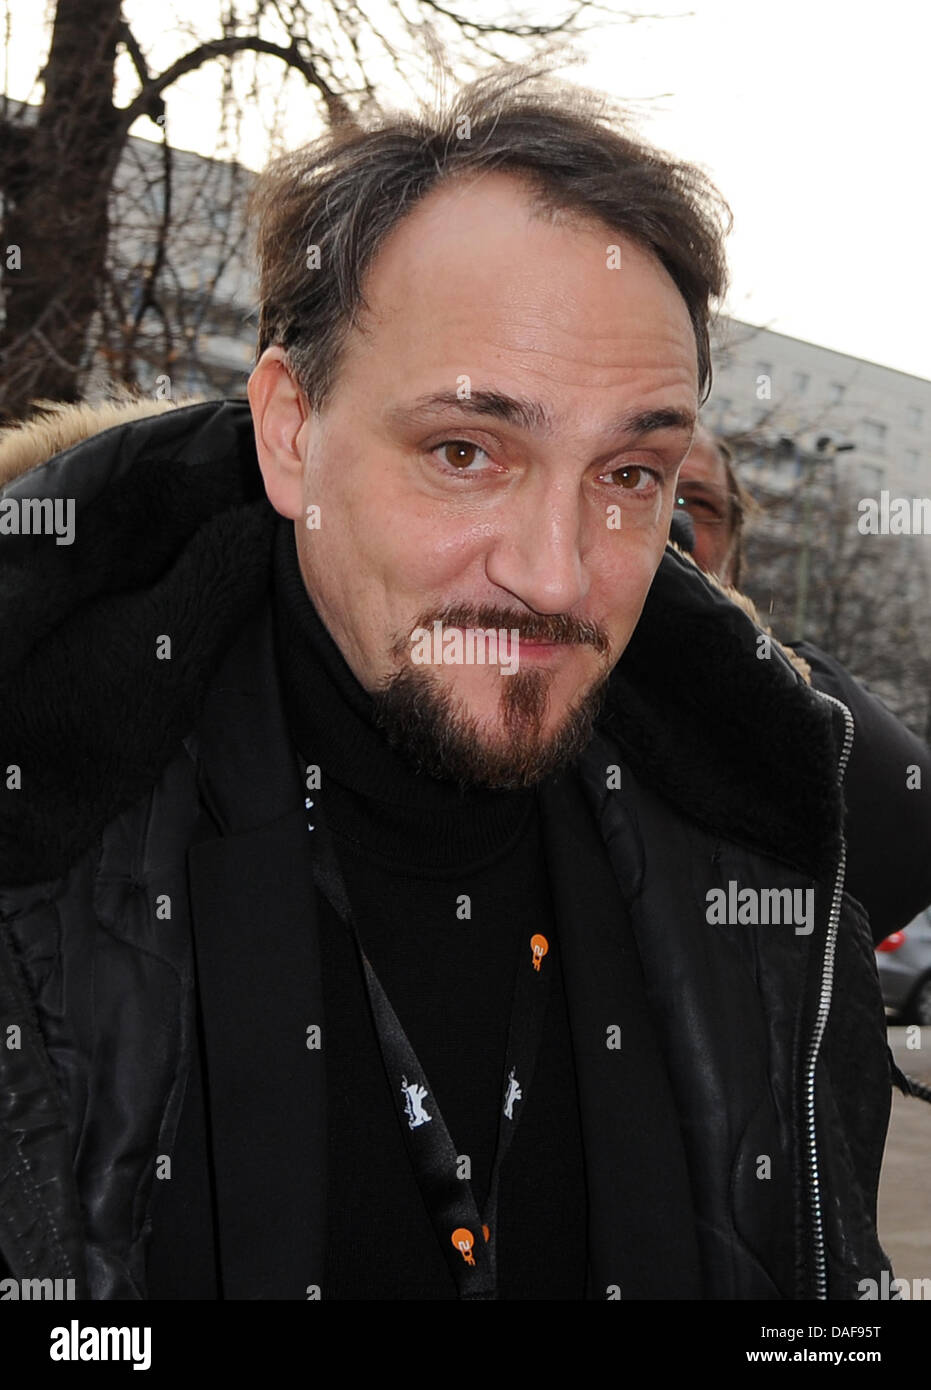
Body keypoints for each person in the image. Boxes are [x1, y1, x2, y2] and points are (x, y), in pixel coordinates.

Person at [0, 68, 908, 1302]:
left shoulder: (772, 883)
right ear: (289, 431)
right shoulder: (41, 835)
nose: (554, 573)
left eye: (632, 474)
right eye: (466, 451)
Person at [676, 424, 931, 945]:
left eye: (696, 502)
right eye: (632, 479)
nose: (673, 522)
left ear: (735, 558)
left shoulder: (783, 689)